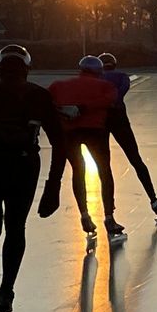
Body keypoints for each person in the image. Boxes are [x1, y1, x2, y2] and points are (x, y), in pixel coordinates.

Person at [0, 45, 67, 312]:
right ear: (27, 68)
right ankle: (6, 290)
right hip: (22, 167)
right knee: (15, 228)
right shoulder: (39, 96)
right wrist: (53, 185)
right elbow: (60, 143)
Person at [49, 56, 125, 237]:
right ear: (99, 72)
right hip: (95, 132)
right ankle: (109, 217)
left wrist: (63, 110)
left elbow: (45, 100)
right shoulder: (105, 86)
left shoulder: (59, 85)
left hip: (69, 133)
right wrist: (85, 107)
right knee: (104, 172)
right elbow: (111, 100)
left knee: (78, 171)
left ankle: (84, 215)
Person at [98, 52, 157, 219]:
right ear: (114, 64)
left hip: (100, 122)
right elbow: (121, 92)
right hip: (120, 121)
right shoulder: (122, 76)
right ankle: (154, 200)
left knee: (104, 168)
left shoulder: (95, 80)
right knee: (136, 160)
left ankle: (108, 214)